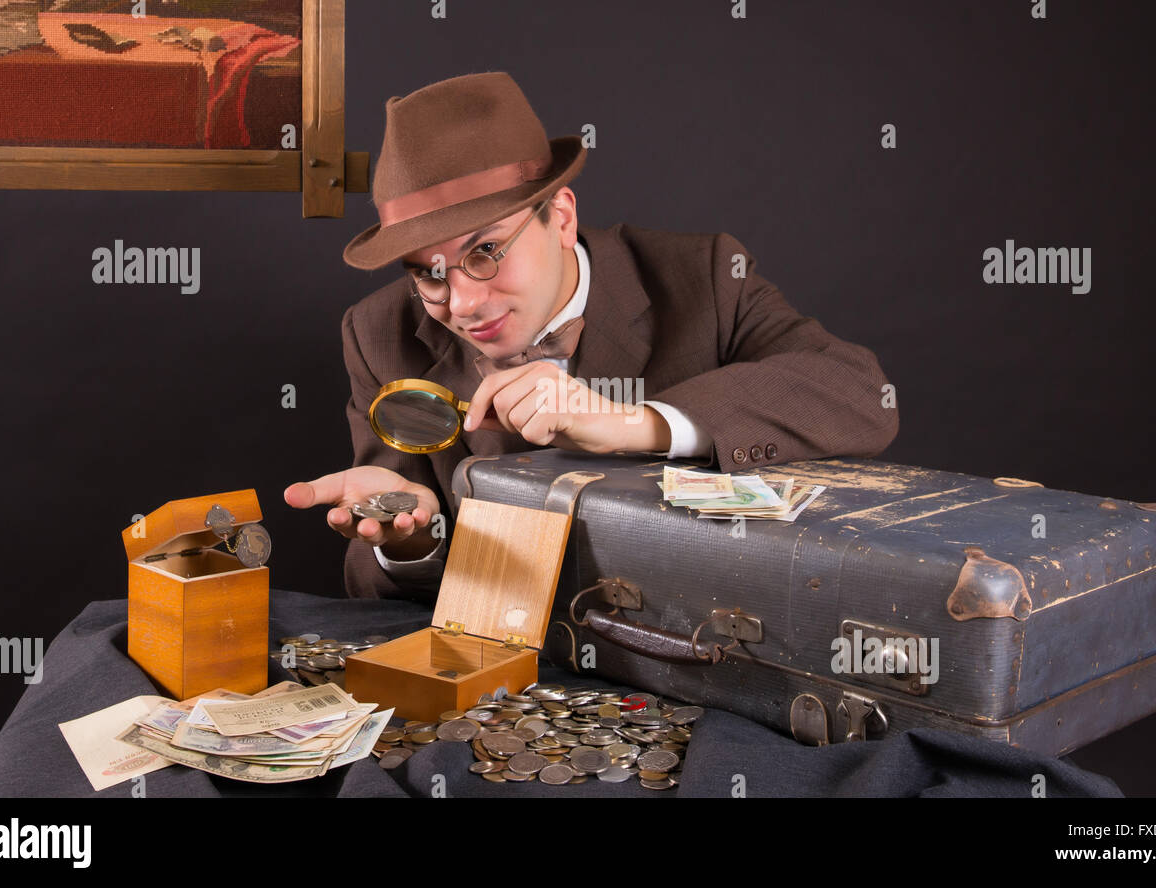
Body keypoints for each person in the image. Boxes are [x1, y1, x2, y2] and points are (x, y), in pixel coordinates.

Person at [284, 72, 899, 601]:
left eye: (487, 251)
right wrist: (412, 542)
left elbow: (862, 393)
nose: (464, 302)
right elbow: (373, 588)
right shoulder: (377, 332)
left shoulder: (705, 277)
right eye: (427, 273)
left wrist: (629, 423)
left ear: (563, 217)